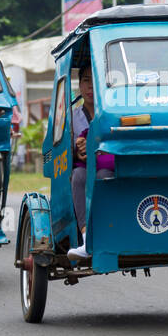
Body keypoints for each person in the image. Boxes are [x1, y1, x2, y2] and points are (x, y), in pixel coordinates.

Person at [67, 64, 114, 261]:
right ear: (79, 85)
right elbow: (64, 150)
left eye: (95, 82)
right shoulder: (72, 117)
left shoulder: (113, 113)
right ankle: (87, 239)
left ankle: (109, 231)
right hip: (84, 169)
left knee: (104, 177)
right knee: (79, 177)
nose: (91, 87)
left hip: (110, 166)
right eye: (86, 81)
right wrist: (77, 151)